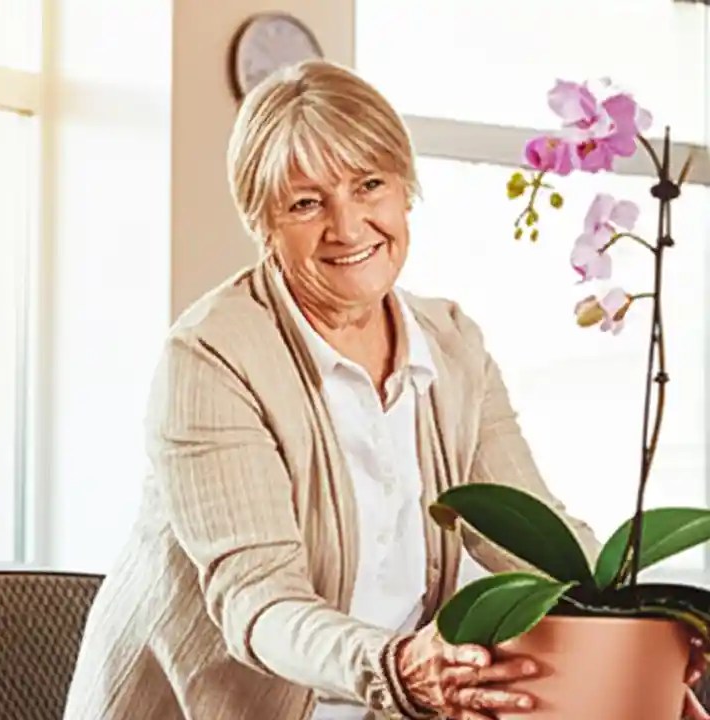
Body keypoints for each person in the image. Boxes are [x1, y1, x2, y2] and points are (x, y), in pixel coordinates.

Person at [62, 60, 708, 720]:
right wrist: (396, 668)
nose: (347, 227)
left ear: (406, 191)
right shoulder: (211, 357)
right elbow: (257, 601)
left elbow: (537, 538)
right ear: (261, 222)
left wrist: (641, 647)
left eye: (368, 186)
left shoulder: (453, 345)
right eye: (306, 202)